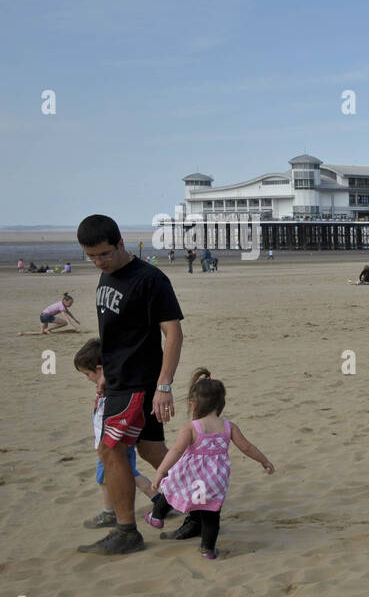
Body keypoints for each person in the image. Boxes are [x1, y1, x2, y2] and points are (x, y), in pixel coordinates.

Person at [74, 214, 184, 555]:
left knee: (110, 449)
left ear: (121, 243)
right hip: (119, 378)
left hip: (138, 382)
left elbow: (174, 333)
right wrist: (105, 369)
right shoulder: (106, 278)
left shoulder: (150, 279)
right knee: (151, 449)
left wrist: (164, 385)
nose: (98, 262)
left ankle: (126, 531)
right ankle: (200, 498)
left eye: (104, 254)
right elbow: (113, 331)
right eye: (91, 256)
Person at [146, 368, 274, 559]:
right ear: (221, 404)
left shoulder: (191, 428)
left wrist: (160, 472)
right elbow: (246, 447)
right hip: (214, 481)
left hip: (190, 478)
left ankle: (157, 517)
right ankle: (208, 550)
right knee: (211, 515)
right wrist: (264, 460)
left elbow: (175, 451)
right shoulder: (229, 427)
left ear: (193, 403)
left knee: (171, 489)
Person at [74, 337, 161, 528]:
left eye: (87, 374)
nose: (87, 379)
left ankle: (111, 513)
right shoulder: (108, 387)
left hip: (113, 444)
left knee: (118, 476)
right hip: (109, 443)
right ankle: (158, 500)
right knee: (124, 475)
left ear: (99, 369)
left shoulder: (115, 390)